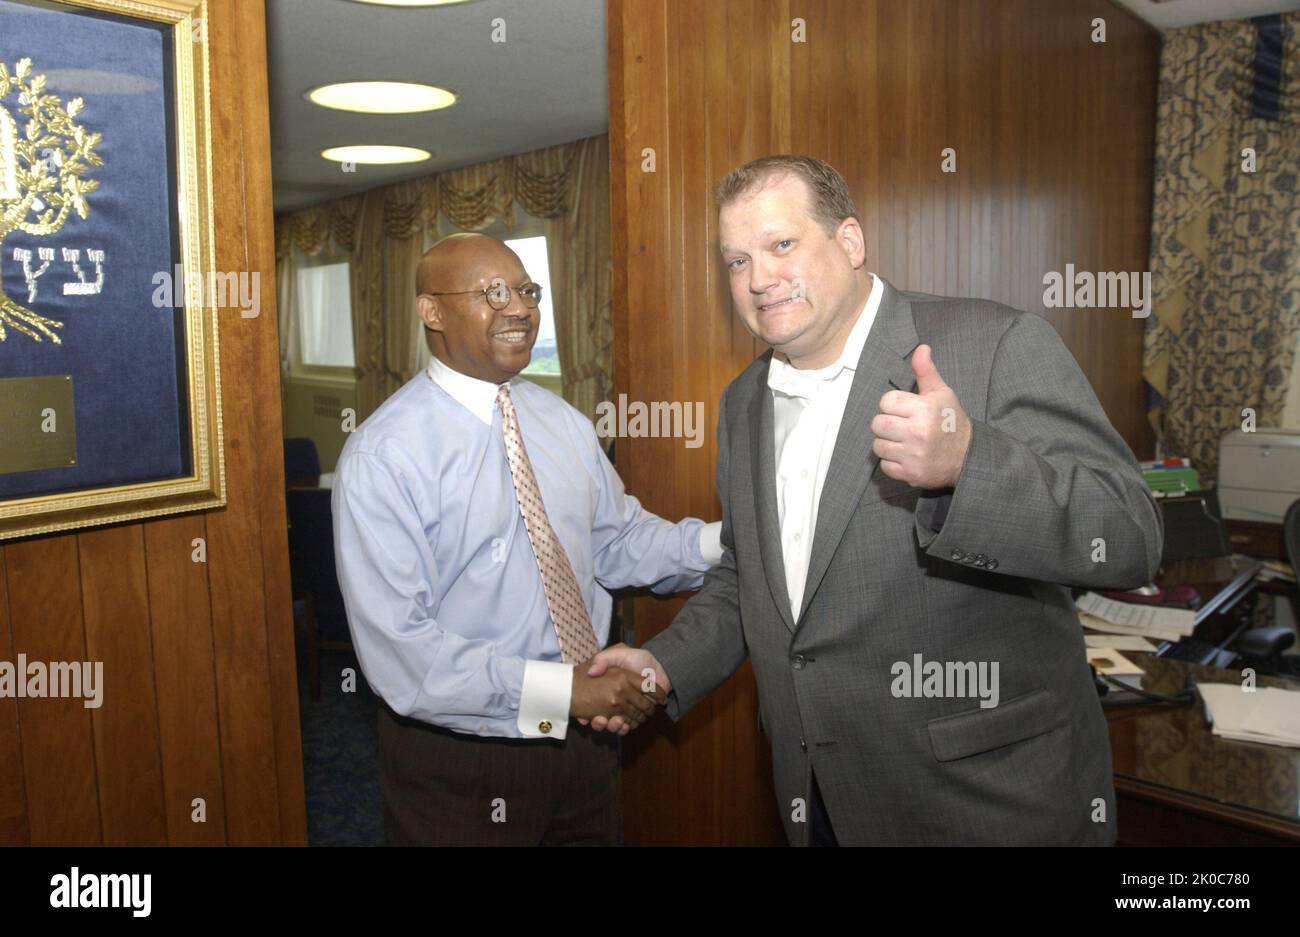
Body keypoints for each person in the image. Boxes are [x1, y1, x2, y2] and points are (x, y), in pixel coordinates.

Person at [589, 155, 1163, 845]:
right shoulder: (742, 403)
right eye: (736, 260)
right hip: (821, 798)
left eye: (781, 245)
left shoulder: (994, 343)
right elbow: (751, 576)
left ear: (850, 242)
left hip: (987, 804)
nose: (759, 278)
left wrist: (967, 467)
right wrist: (662, 663)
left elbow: (1130, 533)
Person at [332, 233, 721, 845]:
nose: (519, 307)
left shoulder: (561, 420)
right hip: (462, 761)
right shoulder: (383, 456)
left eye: (527, 290)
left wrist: (736, 542)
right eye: (493, 292)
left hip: (586, 744)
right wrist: (565, 692)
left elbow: (617, 542)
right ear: (431, 311)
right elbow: (402, 654)